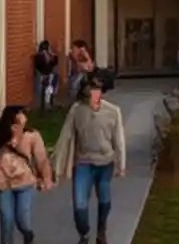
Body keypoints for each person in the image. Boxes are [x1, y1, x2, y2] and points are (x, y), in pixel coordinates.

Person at [54, 72, 127, 244]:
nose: (93, 92)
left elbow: (119, 140)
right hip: (83, 163)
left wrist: (121, 164)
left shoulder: (113, 111)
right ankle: (84, 233)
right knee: (79, 205)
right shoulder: (77, 110)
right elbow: (65, 137)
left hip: (105, 163)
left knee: (104, 199)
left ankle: (101, 230)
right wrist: (57, 165)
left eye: (97, 89)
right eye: (90, 88)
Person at [0, 105, 53, 244]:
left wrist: (46, 177)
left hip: (25, 183)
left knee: (22, 219)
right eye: (21, 114)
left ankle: (27, 234)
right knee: (6, 220)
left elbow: (41, 158)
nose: (24, 117)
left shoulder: (32, 135)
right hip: (3, 184)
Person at [34, 41, 59, 111]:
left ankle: (49, 104)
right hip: (43, 76)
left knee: (50, 90)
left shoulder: (49, 56)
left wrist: (52, 55)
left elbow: (55, 62)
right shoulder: (39, 56)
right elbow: (41, 67)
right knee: (45, 91)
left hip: (50, 75)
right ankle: (44, 106)